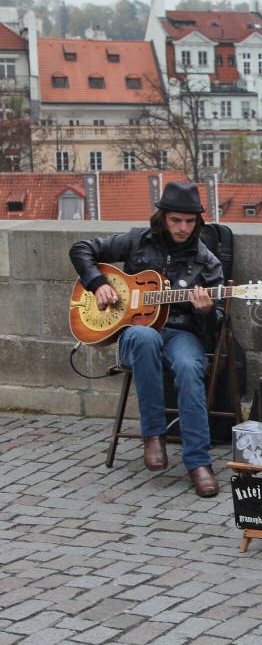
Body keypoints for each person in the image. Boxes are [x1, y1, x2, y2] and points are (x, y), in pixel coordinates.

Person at [70, 181, 223, 497]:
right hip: (135, 335)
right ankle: (153, 435)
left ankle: (198, 463)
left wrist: (206, 312)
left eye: (189, 222)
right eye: (175, 220)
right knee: (144, 338)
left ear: (198, 223)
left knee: (188, 369)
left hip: (182, 333)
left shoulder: (206, 261)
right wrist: (98, 284)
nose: (182, 228)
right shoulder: (138, 241)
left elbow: (215, 326)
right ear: (163, 217)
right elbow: (81, 249)